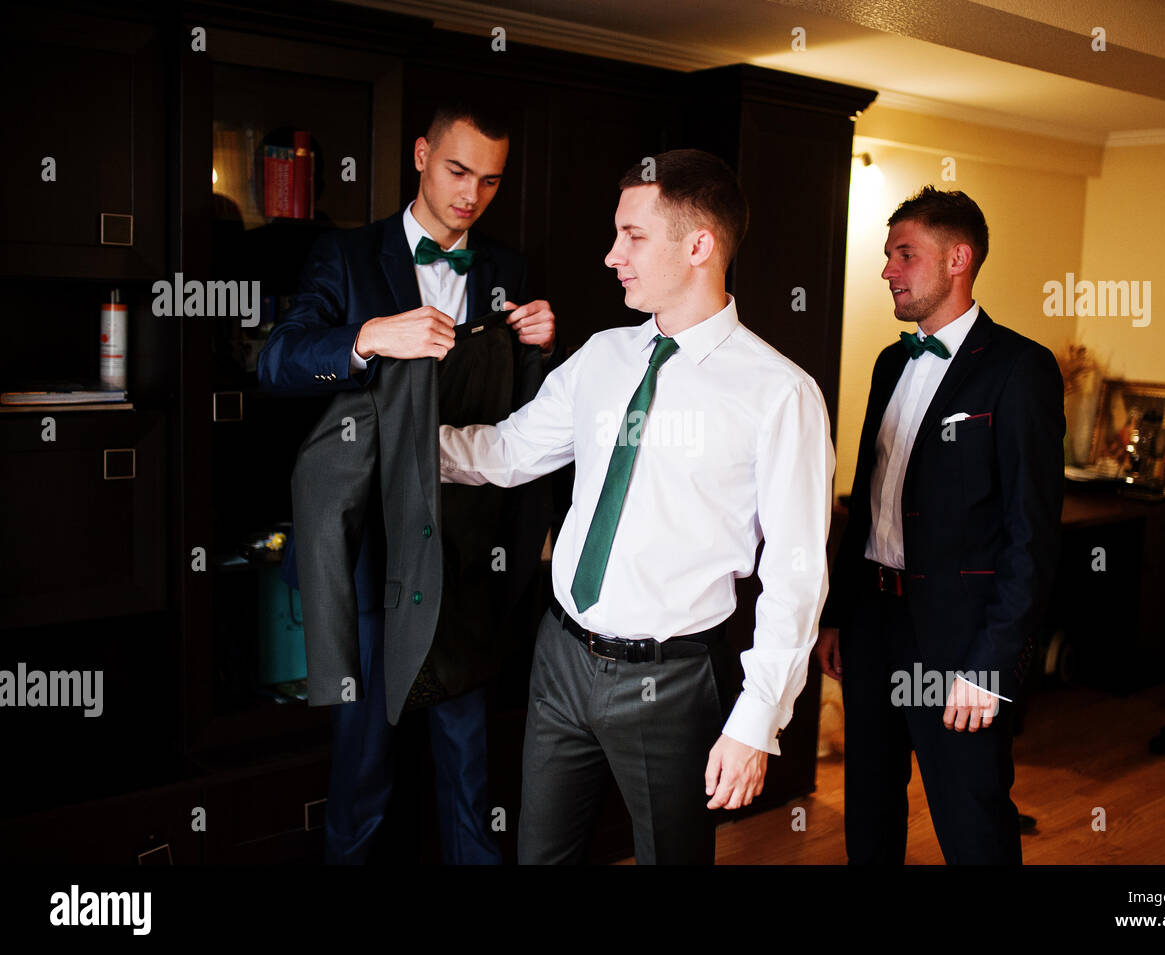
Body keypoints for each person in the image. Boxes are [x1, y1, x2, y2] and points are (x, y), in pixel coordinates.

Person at [439, 149, 834, 864]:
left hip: (674, 681)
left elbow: (798, 574)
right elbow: (506, 452)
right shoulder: (601, 356)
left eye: (633, 235)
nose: (611, 253)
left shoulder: (780, 394)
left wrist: (756, 721)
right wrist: (399, 448)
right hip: (559, 656)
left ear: (698, 244)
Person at [258, 100, 556, 864]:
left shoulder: (507, 271)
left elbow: (525, 420)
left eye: (490, 181)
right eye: (458, 171)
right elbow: (276, 360)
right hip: (370, 553)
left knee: (469, 768)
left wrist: (540, 352)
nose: (471, 195)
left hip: (465, 553)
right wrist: (365, 337)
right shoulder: (348, 256)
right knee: (361, 768)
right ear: (421, 154)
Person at [815, 186, 1063, 865]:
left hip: (959, 640)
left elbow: (1031, 539)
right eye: (889, 255)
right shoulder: (891, 361)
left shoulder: (1020, 369)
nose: (889, 270)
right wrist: (838, 613)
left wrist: (991, 665)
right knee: (868, 801)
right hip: (873, 625)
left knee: (971, 815)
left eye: (905, 254)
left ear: (959, 258)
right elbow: (865, 501)